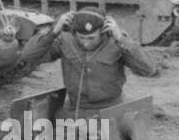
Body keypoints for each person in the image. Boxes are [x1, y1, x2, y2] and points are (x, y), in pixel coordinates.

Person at [21, 8, 157, 116]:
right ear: (74, 32)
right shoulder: (65, 40)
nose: (86, 43)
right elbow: (28, 57)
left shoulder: (116, 41)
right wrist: (54, 31)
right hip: (75, 111)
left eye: (91, 38)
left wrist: (121, 39)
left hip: (110, 110)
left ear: (104, 31)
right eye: (81, 38)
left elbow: (148, 69)